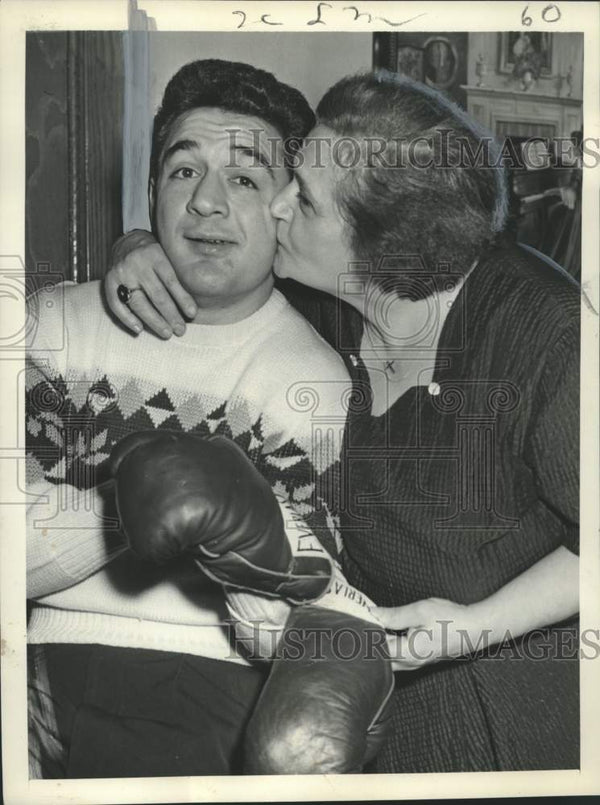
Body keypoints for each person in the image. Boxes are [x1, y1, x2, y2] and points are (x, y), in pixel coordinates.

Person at [107, 71, 580, 773]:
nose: (277, 204)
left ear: (383, 249)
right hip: (384, 717)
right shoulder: (331, 302)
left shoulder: (546, 333)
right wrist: (135, 246)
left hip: (531, 722)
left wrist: (473, 626)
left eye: (304, 200)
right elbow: (210, 254)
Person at [26, 59, 374, 778]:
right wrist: (130, 502)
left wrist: (234, 537)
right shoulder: (52, 327)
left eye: (244, 179)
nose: (207, 202)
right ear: (153, 190)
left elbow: (310, 611)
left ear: (285, 207)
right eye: (184, 171)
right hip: (31, 656)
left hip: (205, 682)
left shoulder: (315, 385)